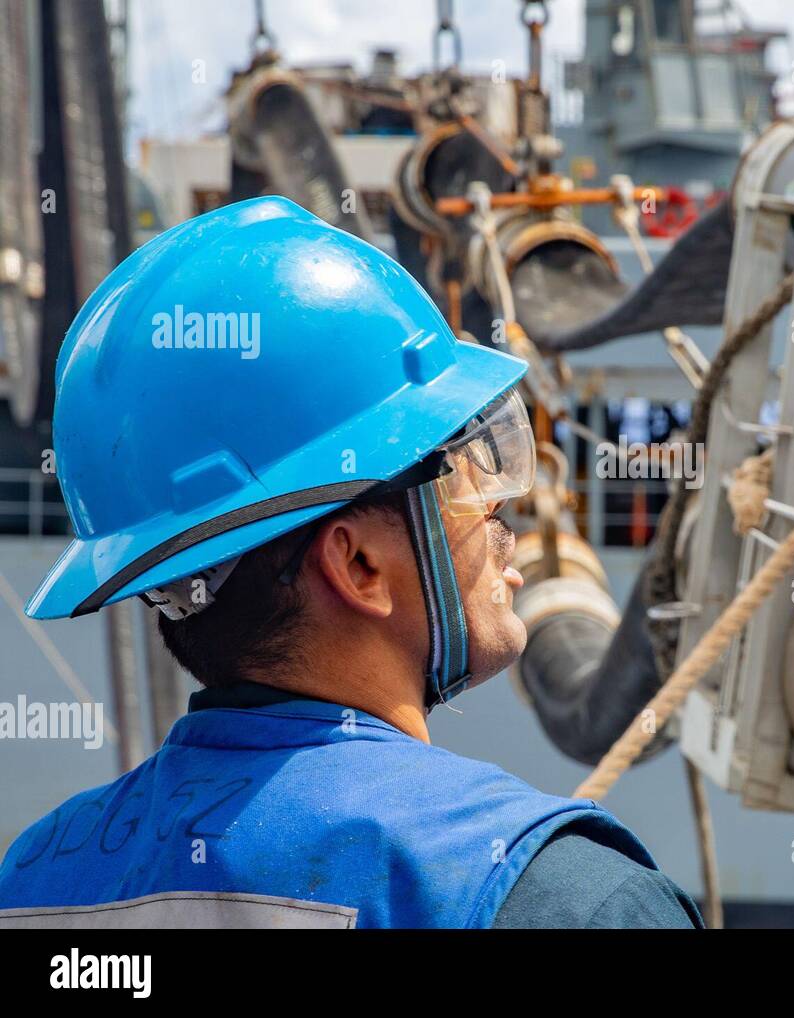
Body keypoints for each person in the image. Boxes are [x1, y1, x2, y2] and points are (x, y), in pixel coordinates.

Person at [0, 196, 701, 930]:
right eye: (468, 470)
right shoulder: (567, 899)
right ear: (359, 563)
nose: (500, 510)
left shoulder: (36, 879)